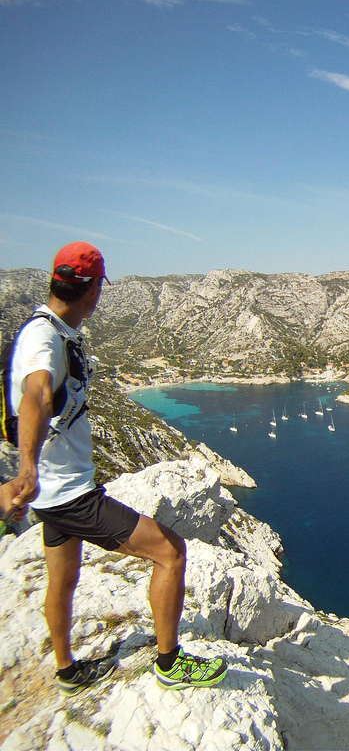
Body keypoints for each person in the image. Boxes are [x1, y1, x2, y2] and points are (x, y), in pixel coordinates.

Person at [0, 242, 227, 695]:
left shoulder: (55, 329)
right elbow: (37, 396)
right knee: (171, 552)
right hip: (68, 494)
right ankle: (169, 662)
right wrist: (27, 469)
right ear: (92, 292)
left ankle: (66, 671)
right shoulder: (44, 339)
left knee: (63, 580)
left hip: (57, 493)